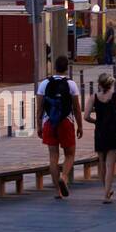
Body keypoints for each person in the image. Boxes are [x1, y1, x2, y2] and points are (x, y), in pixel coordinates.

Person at [36, 56, 83, 198]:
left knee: (53, 157)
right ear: (66, 67)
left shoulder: (44, 83)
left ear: (55, 67)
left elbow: (39, 108)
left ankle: (58, 191)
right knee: (70, 154)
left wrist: (39, 125)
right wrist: (80, 126)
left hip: (49, 122)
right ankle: (64, 177)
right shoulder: (71, 84)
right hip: (66, 122)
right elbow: (76, 108)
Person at [84, 71, 116, 202]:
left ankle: (106, 190)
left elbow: (86, 116)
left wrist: (96, 121)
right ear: (111, 84)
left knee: (101, 163)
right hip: (113, 132)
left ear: (100, 84)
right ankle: (106, 194)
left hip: (100, 132)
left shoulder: (94, 97)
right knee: (110, 165)